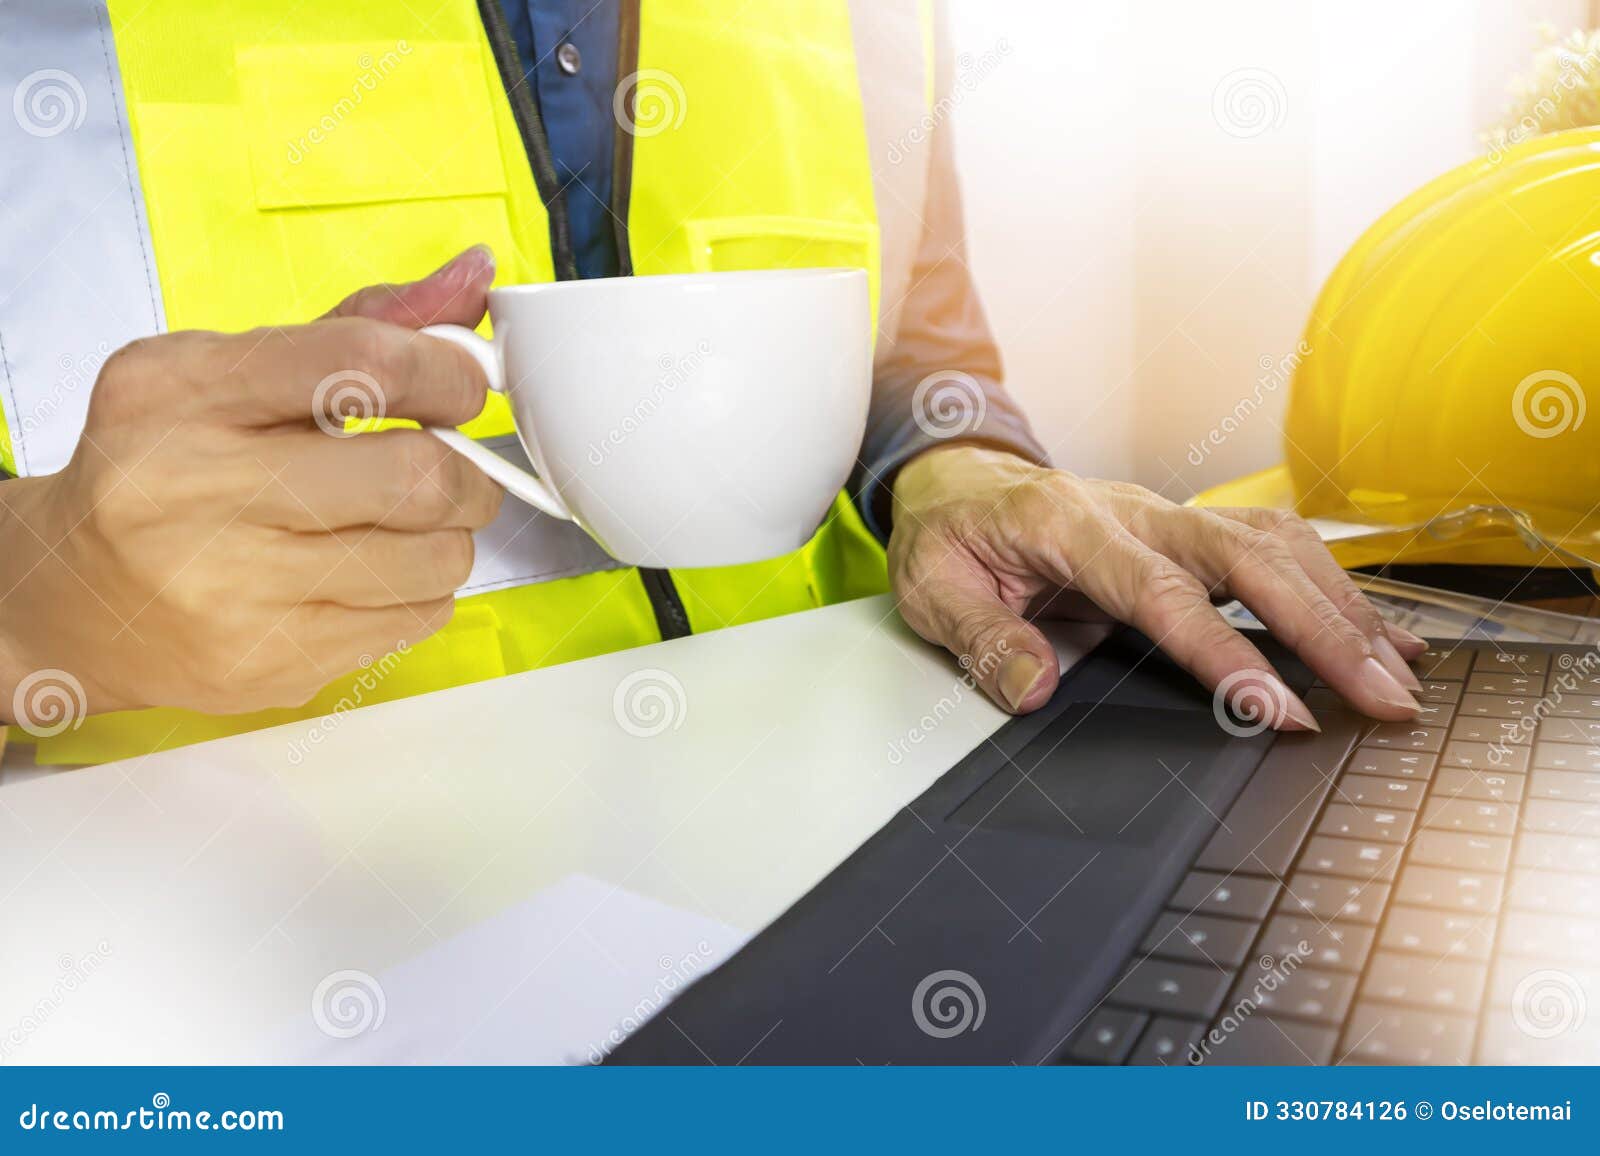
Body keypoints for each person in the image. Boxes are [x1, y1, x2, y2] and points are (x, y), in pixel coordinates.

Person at [0, 0, 1422, 764]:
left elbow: (920, 359)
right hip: (267, 972)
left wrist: (958, 472)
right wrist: (33, 609)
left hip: (870, 839)